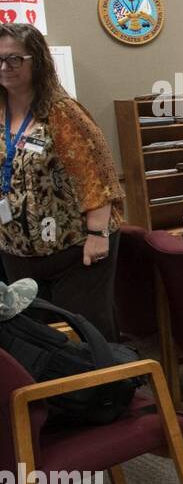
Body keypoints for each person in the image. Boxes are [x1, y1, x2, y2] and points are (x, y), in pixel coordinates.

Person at [0, 22, 123, 339]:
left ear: (36, 60)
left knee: (84, 331)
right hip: (17, 252)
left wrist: (98, 232)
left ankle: (104, 387)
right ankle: (55, 390)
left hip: (74, 247)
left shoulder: (62, 112)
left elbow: (96, 175)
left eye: (15, 59)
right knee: (37, 335)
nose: (5, 67)